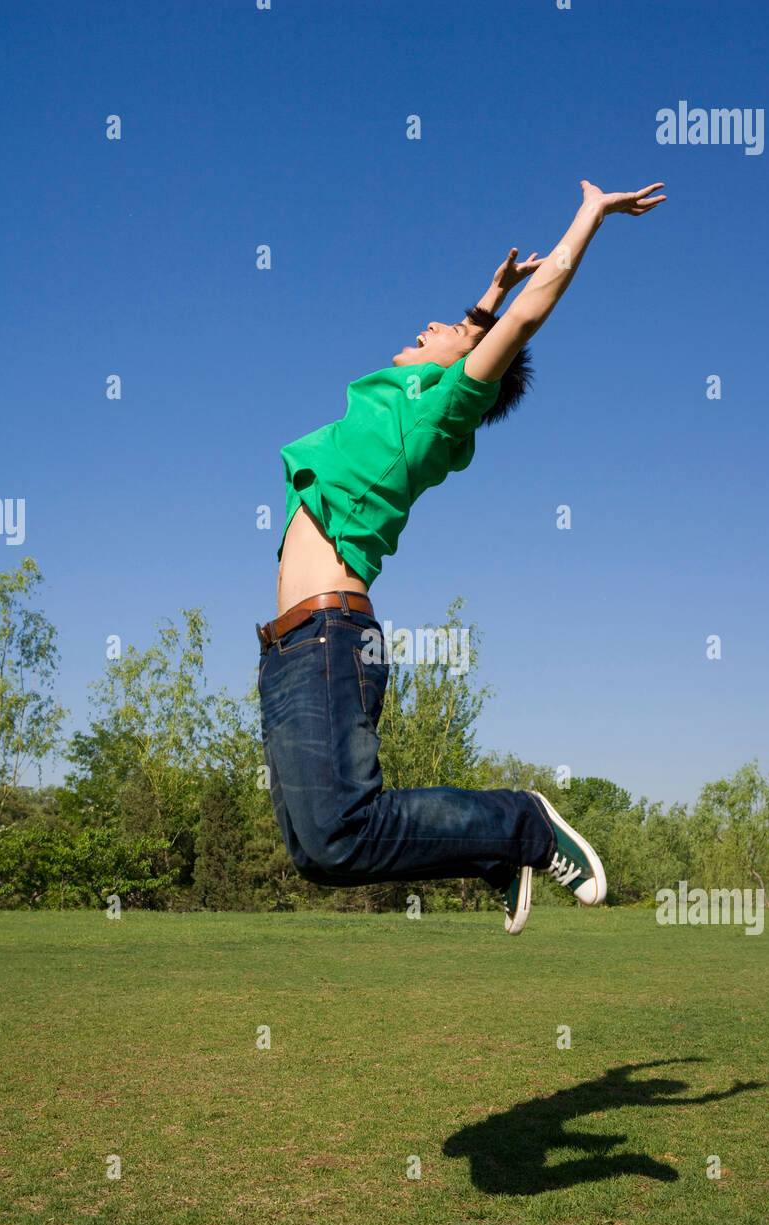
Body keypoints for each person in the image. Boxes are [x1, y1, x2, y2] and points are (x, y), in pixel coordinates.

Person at [257, 179, 666, 934]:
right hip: (286, 652)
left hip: (329, 640)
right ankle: (492, 853)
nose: (432, 322)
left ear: (469, 367)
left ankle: (523, 826)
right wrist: (482, 299)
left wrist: (590, 214)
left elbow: (530, 311)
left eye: (448, 329)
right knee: (317, 854)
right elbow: (476, 330)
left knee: (343, 832)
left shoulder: (439, 416)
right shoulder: (395, 402)